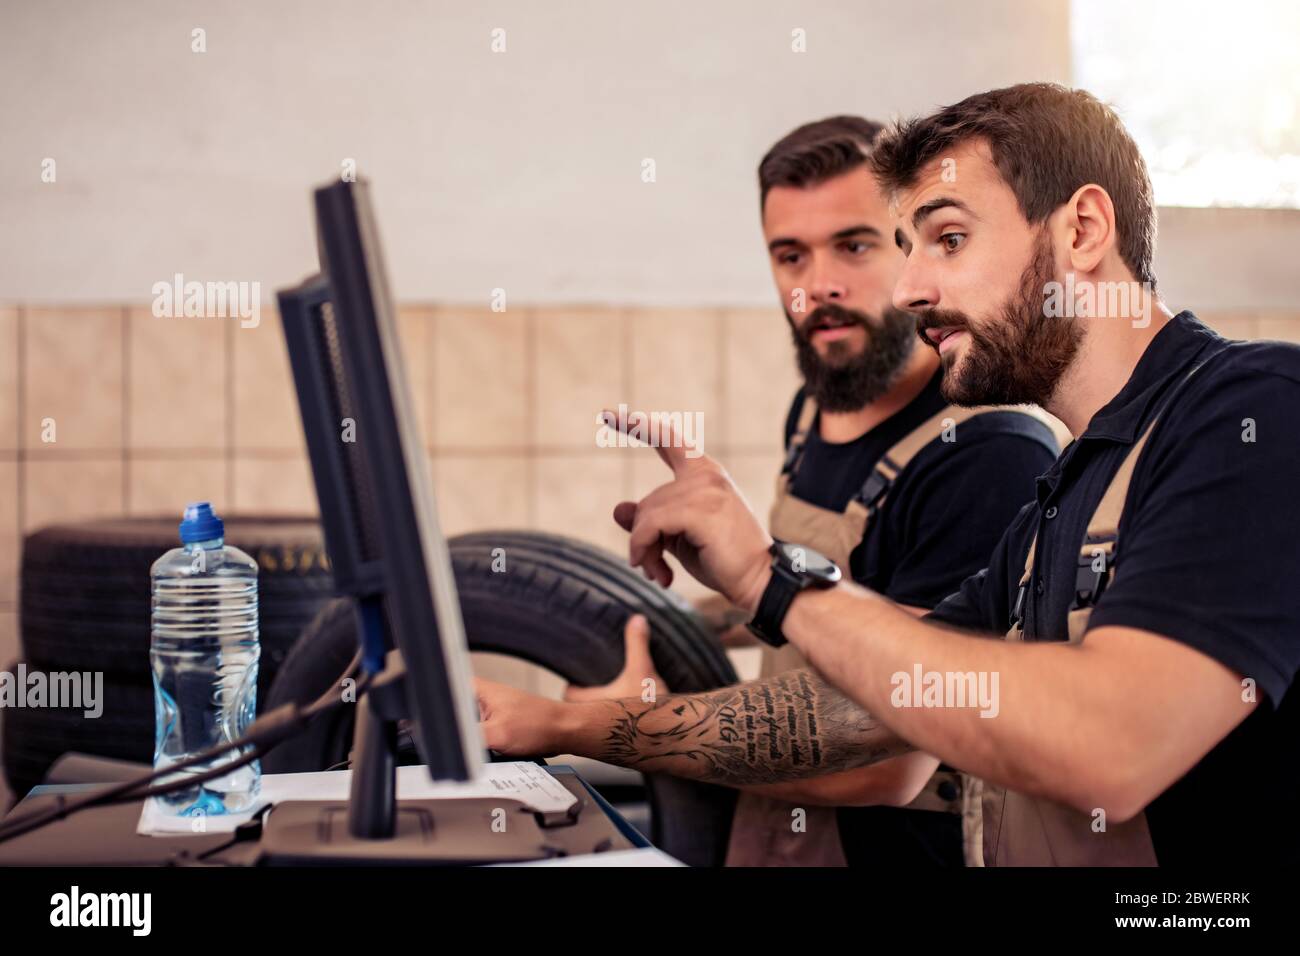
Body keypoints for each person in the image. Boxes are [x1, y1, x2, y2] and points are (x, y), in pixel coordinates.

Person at [480, 83, 1300, 866]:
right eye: (907, 248)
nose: (910, 289)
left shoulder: (1251, 410)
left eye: (947, 239)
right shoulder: (1058, 508)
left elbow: (1115, 745)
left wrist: (774, 579)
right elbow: (868, 713)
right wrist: (577, 724)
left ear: (1082, 229)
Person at [569, 115, 1058, 867]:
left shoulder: (989, 455)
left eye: (853, 246)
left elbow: (887, 753)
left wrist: (596, 726)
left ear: (912, 246)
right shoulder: (817, 409)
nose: (817, 285)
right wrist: (651, 613)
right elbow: (819, 603)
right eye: (789, 255)